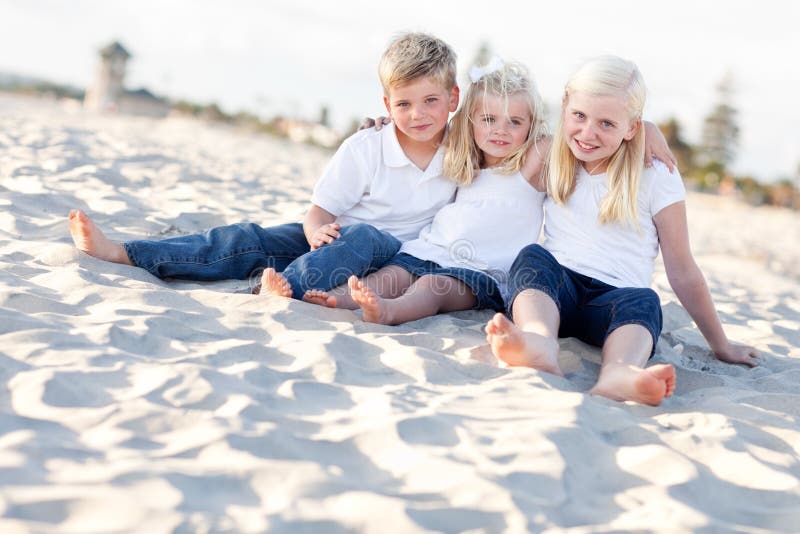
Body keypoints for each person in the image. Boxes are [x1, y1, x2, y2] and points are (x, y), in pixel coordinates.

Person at [69, 32, 459, 298]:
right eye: (404, 104)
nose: (418, 114)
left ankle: (274, 289)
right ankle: (126, 252)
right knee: (248, 239)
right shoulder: (367, 146)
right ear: (387, 105)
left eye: (430, 101)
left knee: (366, 237)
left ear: (453, 98)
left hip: (391, 257)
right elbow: (319, 211)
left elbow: (513, 140)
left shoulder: (465, 150)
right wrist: (316, 232)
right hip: (331, 242)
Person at [485, 55, 760, 406]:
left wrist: (721, 344)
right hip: (555, 294)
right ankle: (538, 341)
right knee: (532, 257)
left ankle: (619, 372)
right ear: (565, 105)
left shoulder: (656, 174)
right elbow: (488, 139)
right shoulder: (551, 153)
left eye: (607, 124)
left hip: (615, 304)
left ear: (631, 128)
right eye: (579, 116)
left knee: (645, 301)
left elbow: (682, 268)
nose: (587, 133)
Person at [302, 59, 548, 324]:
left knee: (431, 287)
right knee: (392, 276)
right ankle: (339, 299)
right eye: (488, 119)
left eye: (515, 122)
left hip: (481, 272)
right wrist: (391, 122)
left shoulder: (530, 166)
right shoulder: (465, 157)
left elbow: (569, 142)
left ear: (531, 126)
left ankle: (388, 312)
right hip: (430, 249)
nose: (500, 130)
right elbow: (419, 130)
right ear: (471, 121)